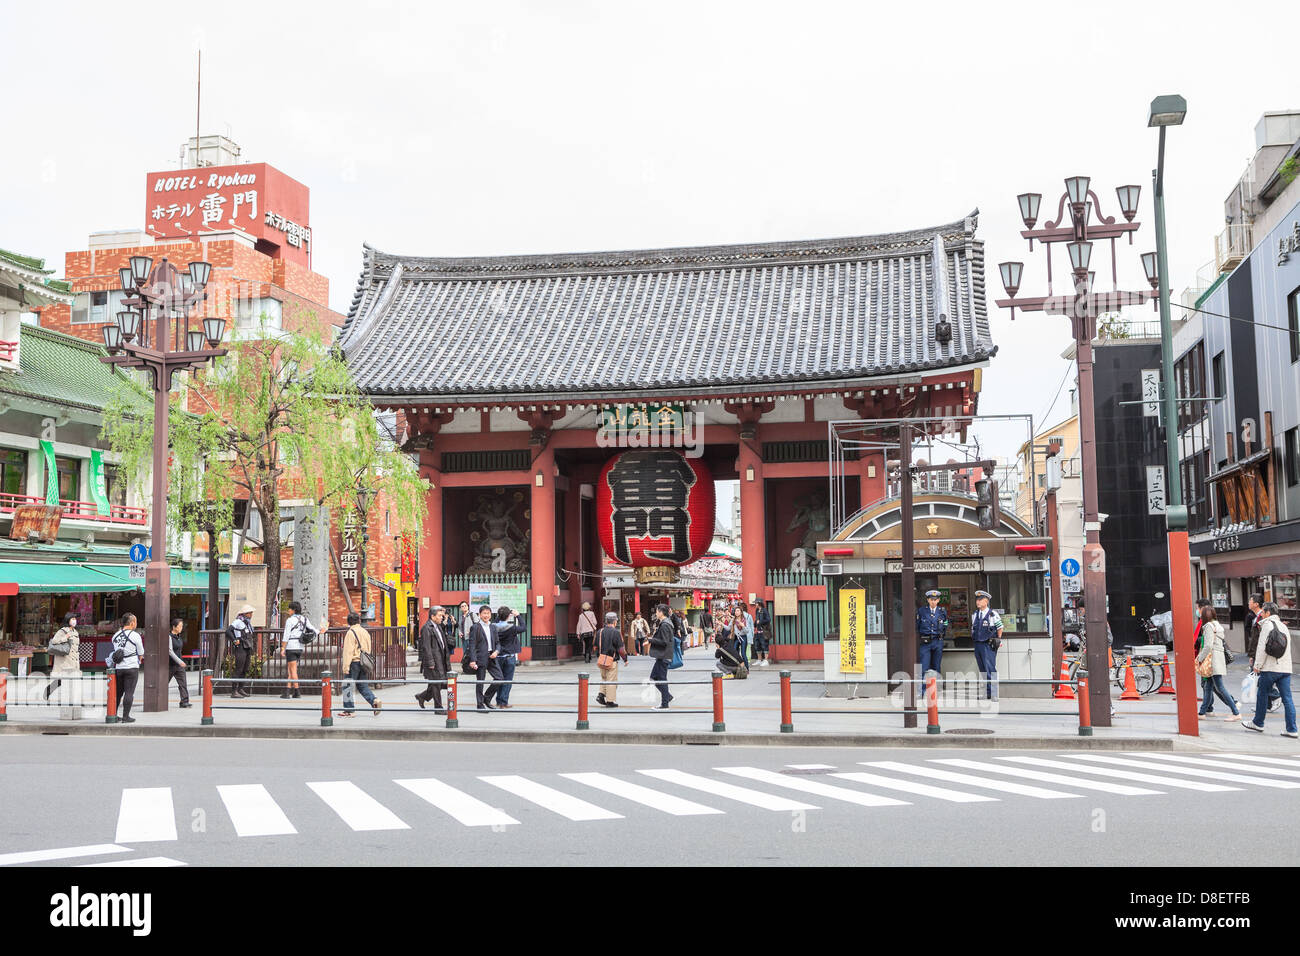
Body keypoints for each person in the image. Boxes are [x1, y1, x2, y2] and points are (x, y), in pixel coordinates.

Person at [1243, 603, 1296, 737]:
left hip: (1270, 668)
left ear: (1267, 613)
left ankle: (1258, 723)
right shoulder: (1284, 626)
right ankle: (1292, 729)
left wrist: (1257, 665)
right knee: (1288, 699)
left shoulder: (1267, 625)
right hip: (1285, 668)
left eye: (1263, 612)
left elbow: (1262, 648)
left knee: (1262, 693)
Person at [1195, 606, 1239, 721]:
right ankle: (1202, 712)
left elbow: (1208, 645)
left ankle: (1236, 712)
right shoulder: (1217, 626)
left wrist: (1199, 658)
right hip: (1217, 659)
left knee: (1219, 687)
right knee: (1208, 686)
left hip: (1212, 661)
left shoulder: (1209, 626)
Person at [340, 612, 380, 717]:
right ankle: (374, 700)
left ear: (349, 621)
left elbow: (348, 651)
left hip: (353, 662)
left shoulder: (350, 632)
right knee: (362, 685)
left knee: (347, 686)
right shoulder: (365, 632)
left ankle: (349, 710)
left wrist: (345, 667)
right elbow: (369, 648)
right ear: (358, 620)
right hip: (363, 662)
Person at [107, 613, 145, 723]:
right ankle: (126, 716)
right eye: (136, 622)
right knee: (129, 692)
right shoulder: (135, 635)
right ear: (132, 622)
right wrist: (139, 660)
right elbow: (141, 652)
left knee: (118, 693)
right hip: (132, 667)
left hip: (119, 668)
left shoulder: (115, 636)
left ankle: (113, 715)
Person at [1246, 593, 1281, 711]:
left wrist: (1253, 656)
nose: (1249, 603)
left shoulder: (1262, 618)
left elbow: (1260, 640)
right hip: (1256, 653)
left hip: (1260, 654)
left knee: (1260, 680)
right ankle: (1265, 705)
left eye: (1250, 601)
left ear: (1256, 604)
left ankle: (1275, 696)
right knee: (1259, 680)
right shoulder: (1256, 617)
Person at [466, 605, 505, 710]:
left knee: (500, 678)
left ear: (490, 615)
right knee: (480, 681)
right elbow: (472, 645)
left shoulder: (493, 627)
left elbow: (497, 643)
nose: (486, 615)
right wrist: (473, 660)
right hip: (480, 658)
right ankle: (480, 704)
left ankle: (486, 698)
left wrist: (496, 651)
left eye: (488, 613)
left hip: (492, 657)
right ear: (480, 615)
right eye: (484, 613)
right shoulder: (475, 627)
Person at [415, 606, 451, 712]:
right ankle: (438, 707)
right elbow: (426, 647)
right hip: (434, 660)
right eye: (439, 615)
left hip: (441, 659)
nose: (442, 618)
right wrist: (430, 662)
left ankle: (422, 696)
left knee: (438, 683)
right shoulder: (426, 628)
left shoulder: (438, 626)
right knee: (436, 683)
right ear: (432, 616)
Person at [970, 590, 1002, 701]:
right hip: (978, 644)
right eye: (977, 600)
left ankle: (994, 693)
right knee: (982, 670)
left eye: (980, 600)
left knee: (990, 669)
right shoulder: (975, 615)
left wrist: (998, 639)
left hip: (988, 645)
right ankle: (986, 692)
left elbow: (1000, 627)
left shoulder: (992, 614)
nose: (977, 602)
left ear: (986, 601)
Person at [280, 601, 315, 700]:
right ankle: (287, 691)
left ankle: (297, 691)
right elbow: (313, 629)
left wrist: (283, 648)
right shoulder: (304, 619)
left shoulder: (290, 620)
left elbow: (286, 635)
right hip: (300, 647)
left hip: (291, 646)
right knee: (291, 669)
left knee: (293, 670)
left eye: (290, 609)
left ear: (293, 610)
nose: (288, 611)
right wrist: (320, 631)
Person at [45, 612, 81, 702]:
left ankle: (70, 697)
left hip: (74, 658)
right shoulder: (63, 631)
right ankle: (48, 691)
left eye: (75, 619)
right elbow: (54, 641)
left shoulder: (75, 632)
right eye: (72, 619)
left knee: (70, 679)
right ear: (68, 620)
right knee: (62, 679)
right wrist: (65, 637)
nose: (74, 621)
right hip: (65, 659)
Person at [916, 589, 948, 690]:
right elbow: (917, 626)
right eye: (931, 599)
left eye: (935, 600)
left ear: (938, 600)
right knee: (924, 667)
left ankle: (935, 689)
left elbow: (945, 625)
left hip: (938, 641)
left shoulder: (942, 611)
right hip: (925, 642)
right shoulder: (922, 611)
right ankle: (922, 690)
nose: (933, 601)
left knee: (936, 666)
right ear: (928, 600)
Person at [494, 606, 525, 708]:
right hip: (509, 656)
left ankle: (498, 701)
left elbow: (497, 621)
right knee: (507, 680)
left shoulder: (493, 627)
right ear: (508, 616)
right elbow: (523, 627)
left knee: (499, 679)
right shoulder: (511, 628)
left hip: (498, 656)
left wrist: (500, 616)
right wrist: (518, 616)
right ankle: (503, 702)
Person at [594, 611, 628, 707]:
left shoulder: (599, 632)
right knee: (611, 681)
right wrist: (625, 659)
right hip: (611, 660)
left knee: (604, 678)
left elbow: (595, 646)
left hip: (601, 659)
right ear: (614, 622)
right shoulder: (616, 633)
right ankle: (610, 701)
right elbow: (620, 649)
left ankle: (601, 695)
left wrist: (599, 654)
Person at [648, 604, 675, 709]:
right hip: (662, 655)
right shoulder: (666, 623)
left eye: (657, 611)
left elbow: (664, 642)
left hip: (664, 655)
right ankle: (667, 696)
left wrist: (650, 640)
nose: (656, 613)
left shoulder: (665, 625)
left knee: (661, 679)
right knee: (654, 677)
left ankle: (665, 703)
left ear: (661, 612)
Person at [227, 604, 256, 698]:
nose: (251, 614)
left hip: (247, 647)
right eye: (250, 612)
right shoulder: (238, 621)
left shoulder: (247, 623)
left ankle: (240, 688)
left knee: (245, 669)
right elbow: (228, 631)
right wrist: (234, 640)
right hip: (240, 647)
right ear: (245, 613)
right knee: (239, 669)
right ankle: (234, 691)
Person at [167, 617, 192, 708]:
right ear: (174, 627)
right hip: (170, 665)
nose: (182, 628)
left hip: (179, 665)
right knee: (164, 683)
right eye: (180, 626)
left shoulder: (178, 637)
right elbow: (170, 651)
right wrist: (180, 661)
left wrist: (180, 662)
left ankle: (184, 701)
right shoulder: (169, 637)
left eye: (182, 626)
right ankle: (158, 699)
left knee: (183, 683)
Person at [753, 598, 772, 667]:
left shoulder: (764, 610)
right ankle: (759, 659)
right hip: (758, 631)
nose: (755, 604)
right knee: (757, 645)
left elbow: (768, 619)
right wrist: (755, 624)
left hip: (764, 631)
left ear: (759, 603)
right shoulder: (757, 610)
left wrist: (760, 622)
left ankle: (766, 660)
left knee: (765, 645)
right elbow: (757, 619)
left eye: (756, 603)